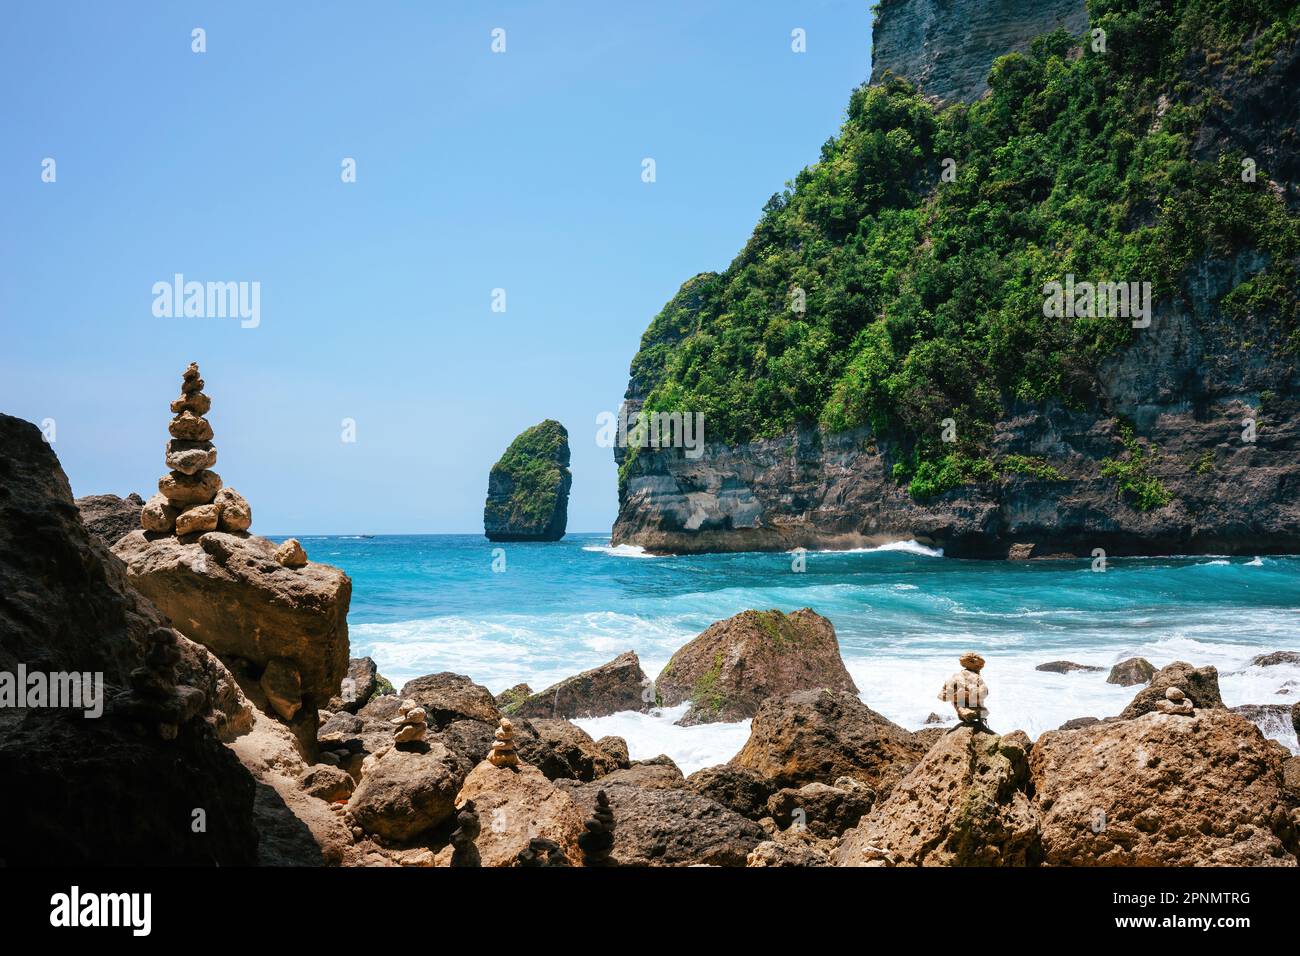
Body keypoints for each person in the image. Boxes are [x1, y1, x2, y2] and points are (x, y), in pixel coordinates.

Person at [939, 652, 990, 732]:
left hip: (972, 705)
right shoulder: (962, 676)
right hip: (970, 705)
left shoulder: (971, 676)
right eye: (979, 665)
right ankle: (968, 712)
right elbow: (943, 696)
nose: (981, 667)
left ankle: (968, 712)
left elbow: (942, 696)